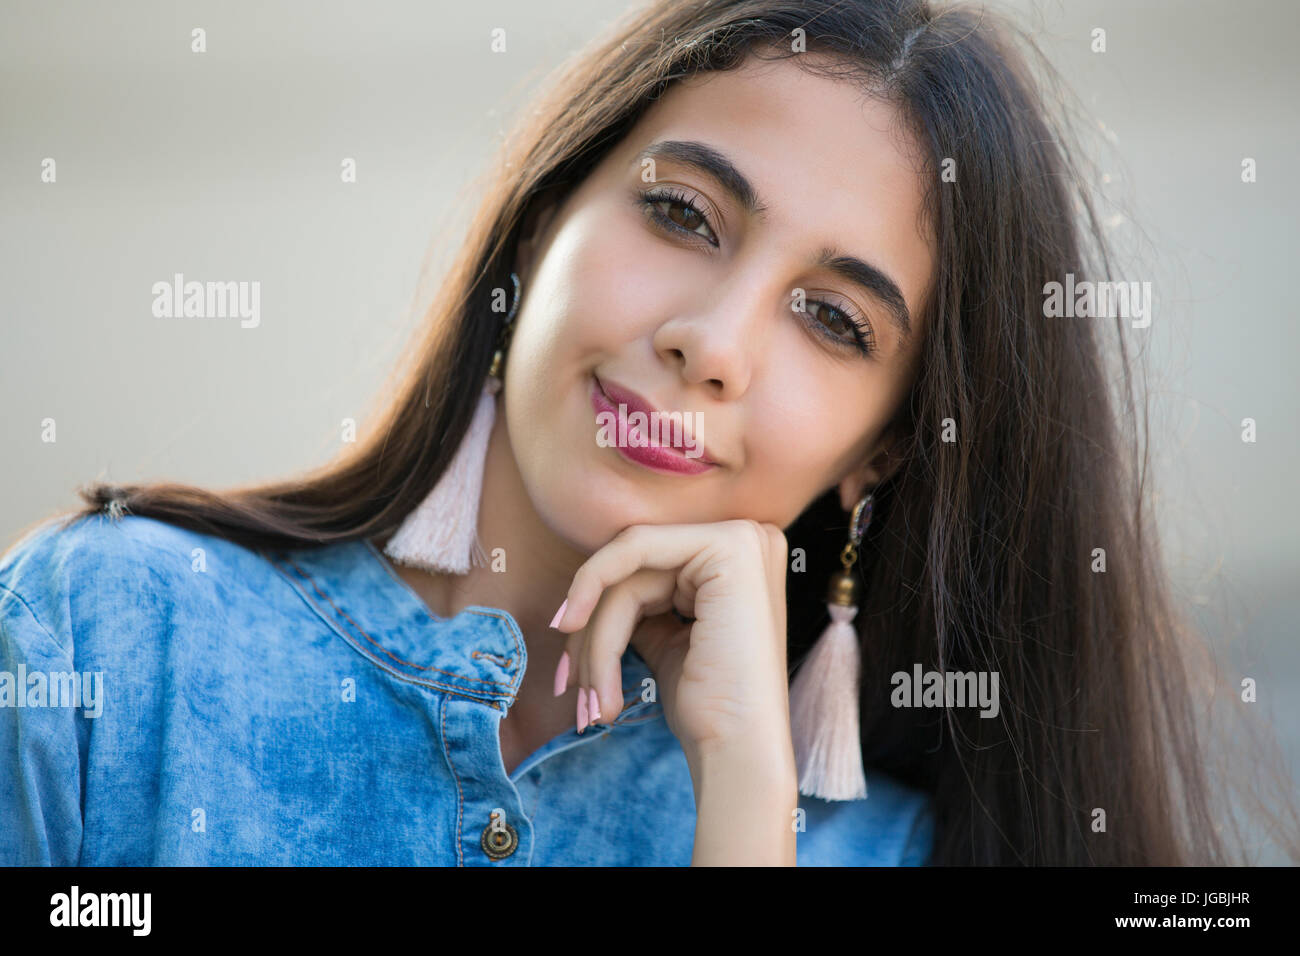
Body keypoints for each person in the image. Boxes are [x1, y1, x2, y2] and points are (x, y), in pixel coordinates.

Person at [2, 0, 1293, 866]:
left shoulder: (885, 852)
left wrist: (743, 804)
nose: (713, 342)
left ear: (880, 452)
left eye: (833, 322)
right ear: (541, 222)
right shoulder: (104, 645)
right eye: (682, 215)